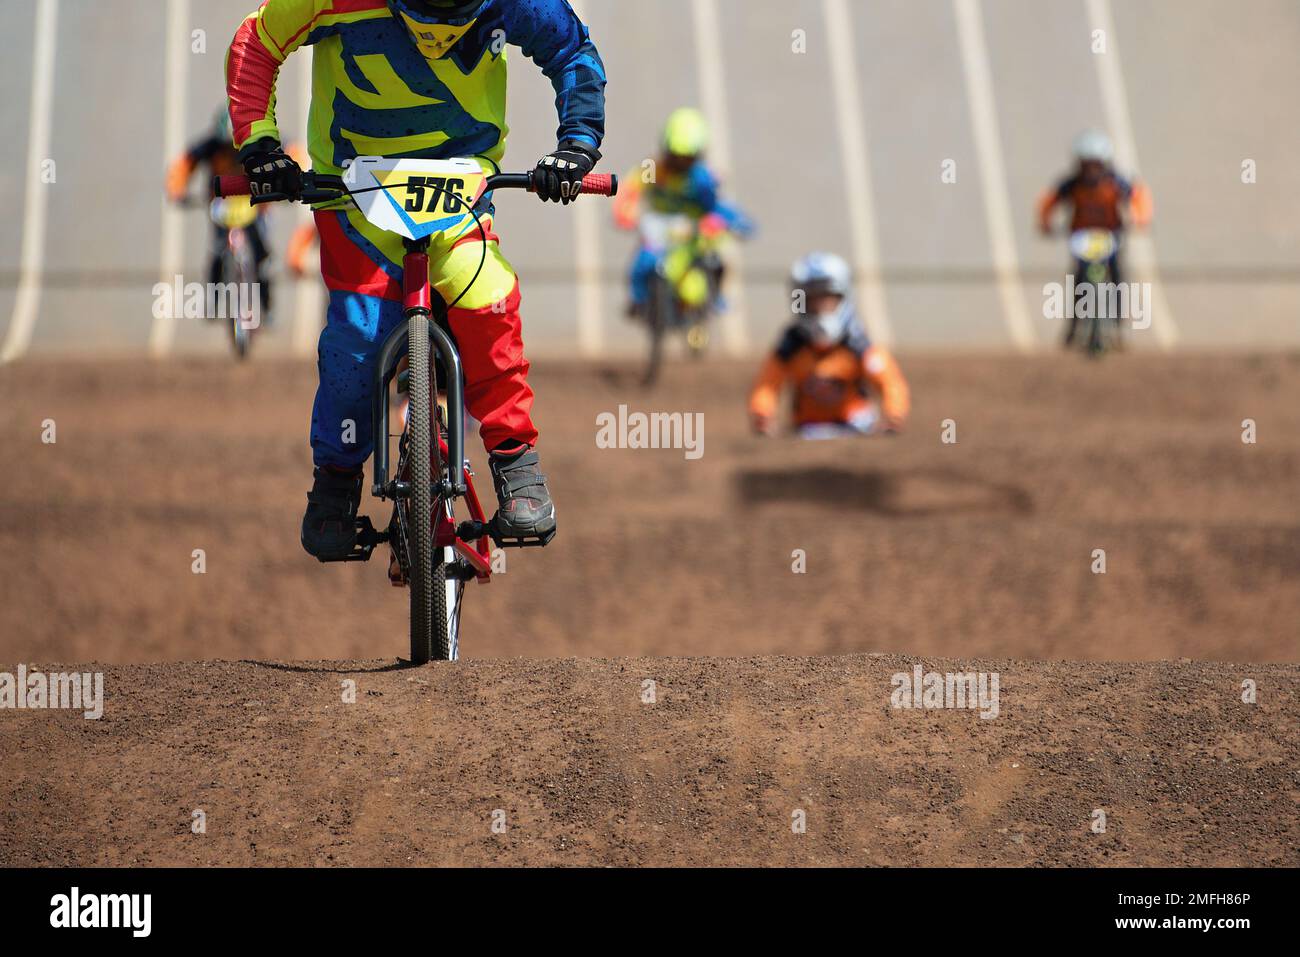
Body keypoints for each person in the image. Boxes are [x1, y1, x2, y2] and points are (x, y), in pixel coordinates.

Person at [224, 0, 607, 558]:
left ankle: (517, 463)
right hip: (351, 193)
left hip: (460, 191)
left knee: (488, 302)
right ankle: (334, 483)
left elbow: (571, 49)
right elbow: (258, 41)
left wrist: (576, 144)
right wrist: (259, 145)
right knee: (356, 342)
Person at [749, 253, 909, 439]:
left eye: (826, 300)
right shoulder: (790, 346)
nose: (819, 308)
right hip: (805, 430)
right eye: (811, 301)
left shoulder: (858, 344)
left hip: (857, 426)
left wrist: (894, 414)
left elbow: (889, 382)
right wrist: (762, 413)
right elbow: (767, 385)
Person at [612, 107, 753, 317]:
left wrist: (736, 221)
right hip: (660, 232)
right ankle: (639, 301)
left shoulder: (702, 178)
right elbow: (631, 188)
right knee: (641, 264)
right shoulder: (654, 170)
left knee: (715, 261)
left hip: (692, 235)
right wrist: (624, 212)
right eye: (675, 156)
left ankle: (715, 298)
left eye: (686, 158)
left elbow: (717, 206)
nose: (680, 163)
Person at [1037, 129, 1153, 347]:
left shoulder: (1117, 183)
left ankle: (1119, 327)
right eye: (1086, 165)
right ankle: (1073, 326)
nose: (1091, 171)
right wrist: (1045, 223)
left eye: (1095, 165)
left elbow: (1139, 197)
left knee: (1117, 276)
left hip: (1110, 236)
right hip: (1082, 237)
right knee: (1078, 278)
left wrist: (1140, 218)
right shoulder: (1072, 184)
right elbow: (1048, 201)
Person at [166, 106, 273, 317]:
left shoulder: (260, 145)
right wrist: (177, 190)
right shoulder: (209, 147)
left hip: (254, 203)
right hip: (221, 205)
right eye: (227, 147)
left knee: (262, 256)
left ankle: (267, 306)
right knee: (217, 250)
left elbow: (290, 153)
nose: (232, 152)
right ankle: (213, 300)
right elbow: (184, 165)